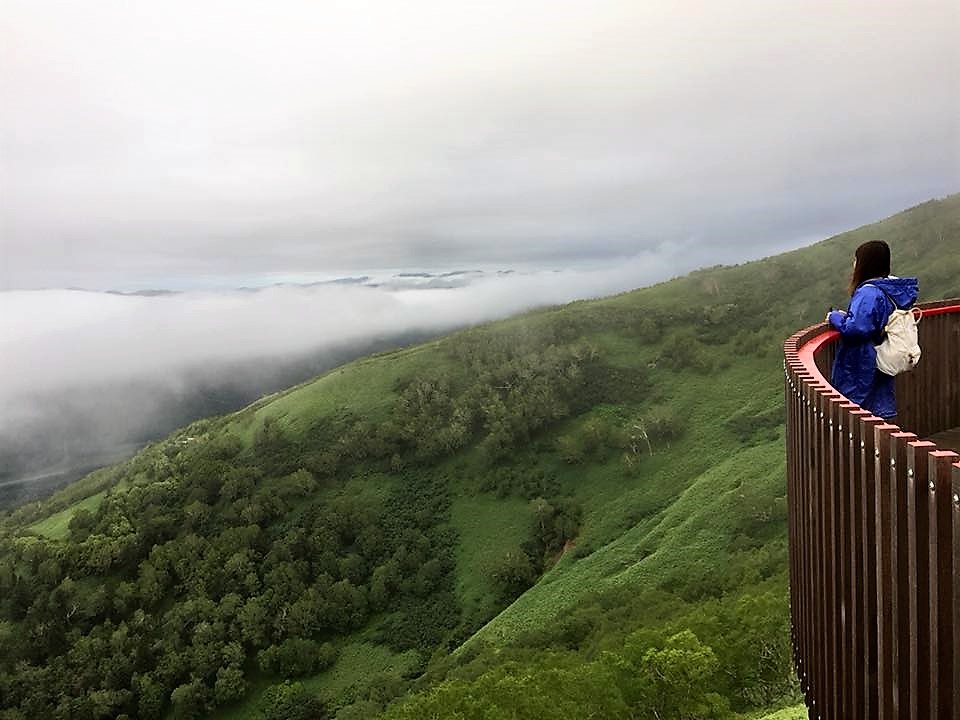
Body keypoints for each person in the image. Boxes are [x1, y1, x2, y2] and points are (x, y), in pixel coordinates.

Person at [826, 240, 918, 419]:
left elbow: (856, 329)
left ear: (864, 263)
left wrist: (834, 317)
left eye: (856, 260)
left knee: (860, 416)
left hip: (864, 364)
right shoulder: (889, 288)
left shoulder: (869, 292)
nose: (853, 265)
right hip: (881, 358)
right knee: (880, 413)